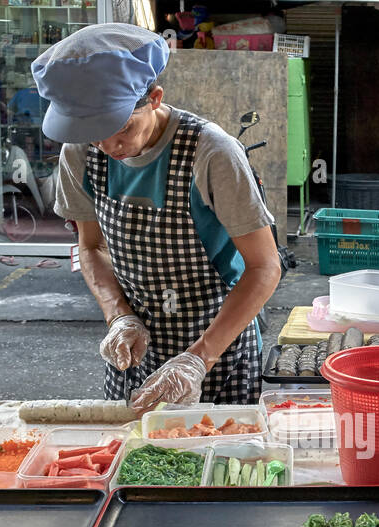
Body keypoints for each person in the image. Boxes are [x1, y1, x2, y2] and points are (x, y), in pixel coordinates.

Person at [35, 23, 281, 410]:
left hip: (219, 349)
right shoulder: (81, 153)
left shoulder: (211, 153)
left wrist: (198, 359)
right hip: (133, 353)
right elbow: (91, 247)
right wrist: (119, 317)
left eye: (119, 128)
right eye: (91, 132)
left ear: (153, 98)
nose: (107, 145)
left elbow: (265, 268)